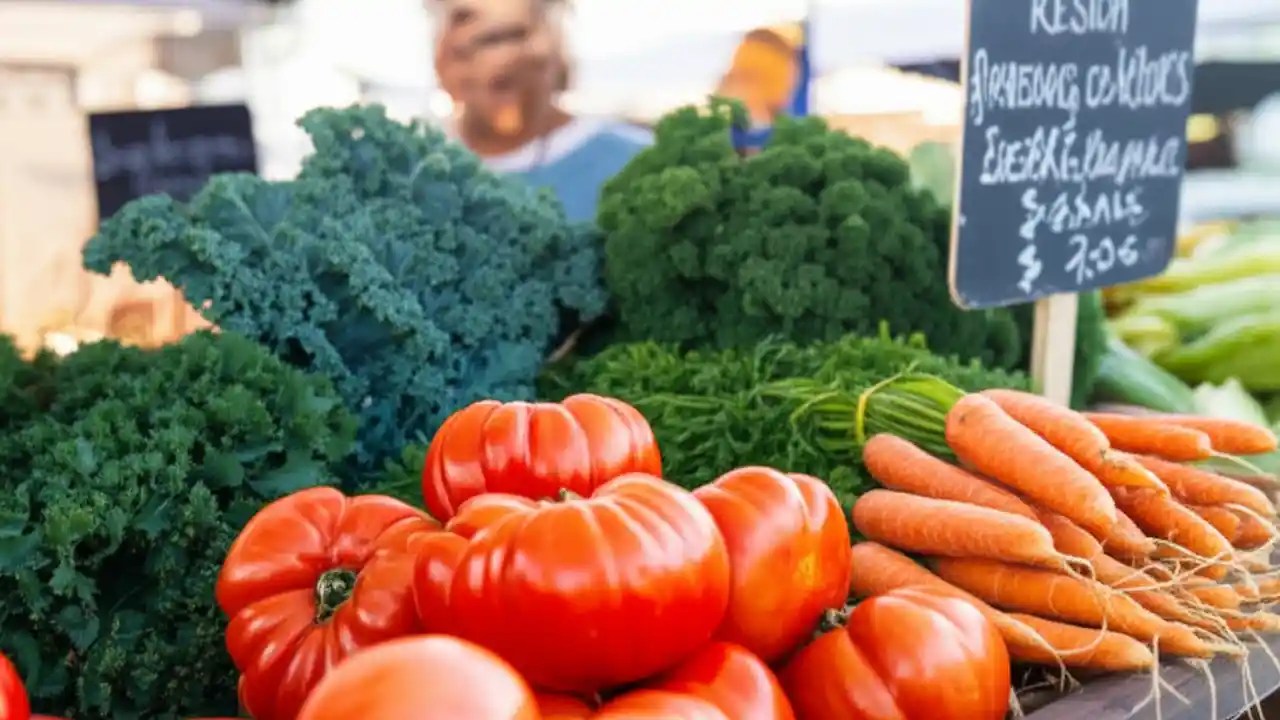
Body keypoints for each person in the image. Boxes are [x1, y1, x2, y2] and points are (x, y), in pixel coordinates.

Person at [431, 0, 651, 222]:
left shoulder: (635, 162)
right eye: (475, 44)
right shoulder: (417, 171)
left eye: (513, 35)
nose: (497, 59)